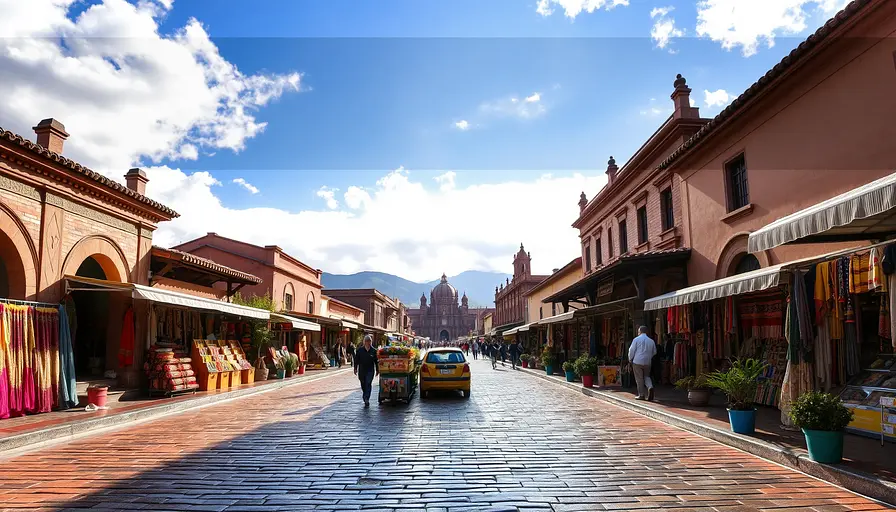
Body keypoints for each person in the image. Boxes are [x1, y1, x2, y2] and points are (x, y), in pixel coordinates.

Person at [629, 325, 657, 401]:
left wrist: (630, 359)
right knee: (646, 376)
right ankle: (650, 386)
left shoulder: (636, 340)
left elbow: (631, 350)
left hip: (637, 361)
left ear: (640, 331)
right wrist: (649, 356)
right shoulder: (651, 341)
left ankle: (641, 394)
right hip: (647, 362)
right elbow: (654, 352)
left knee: (639, 378)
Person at [354, 335, 378, 407]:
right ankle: (365, 395)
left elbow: (376, 361)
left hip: (370, 370)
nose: (368, 343)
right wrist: (355, 368)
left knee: (368, 383)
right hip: (362, 370)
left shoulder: (374, 351)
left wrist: (377, 370)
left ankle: (366, 398)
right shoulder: (359, 350)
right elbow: (356, 360)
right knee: (363, 384)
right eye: (367, 341)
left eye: (369, 341)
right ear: (364, 342)